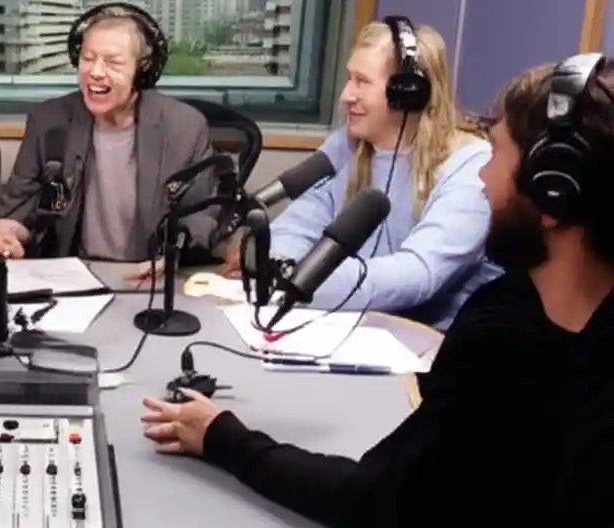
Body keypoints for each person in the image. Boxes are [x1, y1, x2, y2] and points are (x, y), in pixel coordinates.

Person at [142, 54, 614, 526]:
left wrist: (223, 437)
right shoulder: (515, 306)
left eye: (495, 153)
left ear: (554, 191)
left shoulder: (506, 348)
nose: (483, 180)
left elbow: (377, 498)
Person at [222, 17, 500, 329]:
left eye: (362, 82)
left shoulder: (470, 165)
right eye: (348, 79)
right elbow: (295, 227)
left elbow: (418, 273)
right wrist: (280, 266)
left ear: (407, 92)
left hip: (424, 344)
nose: (346, 96)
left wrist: (301, 280)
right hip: (342, 324)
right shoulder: (348, 147)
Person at [0, 2, 219, 274]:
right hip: (73, 278)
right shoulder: (48, 122)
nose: (95, 72)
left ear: (141, 70)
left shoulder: (184, 127)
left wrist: (173, 252)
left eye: (113, 62)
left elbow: (205, 215)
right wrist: (6, 231)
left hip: (153, 278)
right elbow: (17, 212)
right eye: (87, 58)